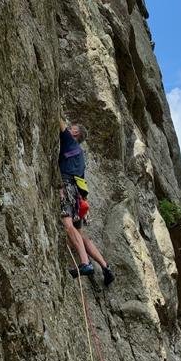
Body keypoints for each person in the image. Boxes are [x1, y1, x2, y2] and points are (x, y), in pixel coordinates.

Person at [58, 117, 114, 285]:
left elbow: (59, 121)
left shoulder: (70, 142)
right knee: (80, 234)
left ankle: (85, 263)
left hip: (67, 187)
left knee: (67, 225)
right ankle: (105, 267)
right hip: (78, 195)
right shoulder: (80, 156)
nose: (69, 128)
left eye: (72, 127)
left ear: (75, 133)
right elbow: (82, 183)